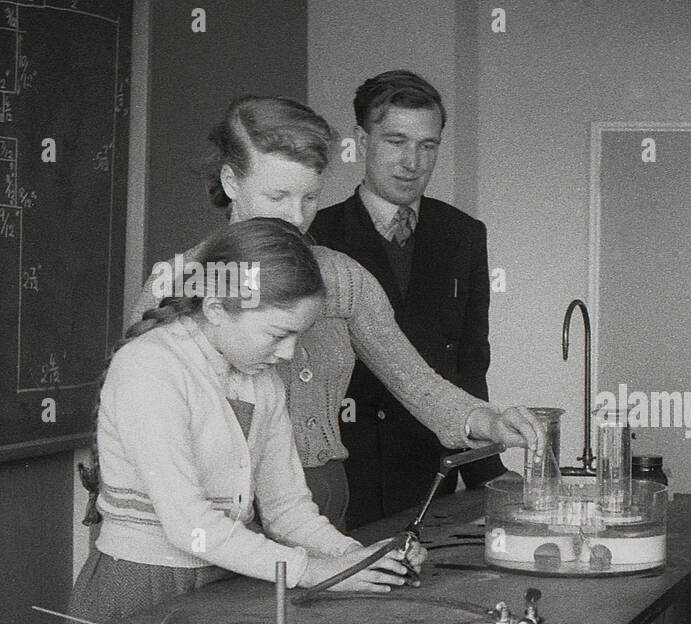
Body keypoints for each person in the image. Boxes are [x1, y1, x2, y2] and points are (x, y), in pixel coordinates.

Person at [131, 96, 540, 531]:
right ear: (231, 181)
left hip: (324, 498)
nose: (295, 217)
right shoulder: (184, 281)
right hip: (222, 506)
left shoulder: (343, 277)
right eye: (278, 195)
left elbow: (416, 382)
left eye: (309, 198)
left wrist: (491, 421)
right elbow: (141, 426)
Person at [71, 219, 424, 624]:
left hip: (225, 578)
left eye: (299, 335)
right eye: (278, 334)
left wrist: (355, 557)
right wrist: (313, 571)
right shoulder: (149, 367)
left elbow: (287, 510)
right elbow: (189, 526)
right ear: (218, 308)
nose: (289, 353)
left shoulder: (261, 380)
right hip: (140, 588)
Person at [311, 71, 506, 528]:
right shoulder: (317, 234)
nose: (411, 162)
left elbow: (471, 362)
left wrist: (485, 472)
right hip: (342, 469)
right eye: (396, 141)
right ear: (362, 141)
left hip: (431, 467)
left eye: (427, 145)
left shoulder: (463, 234)